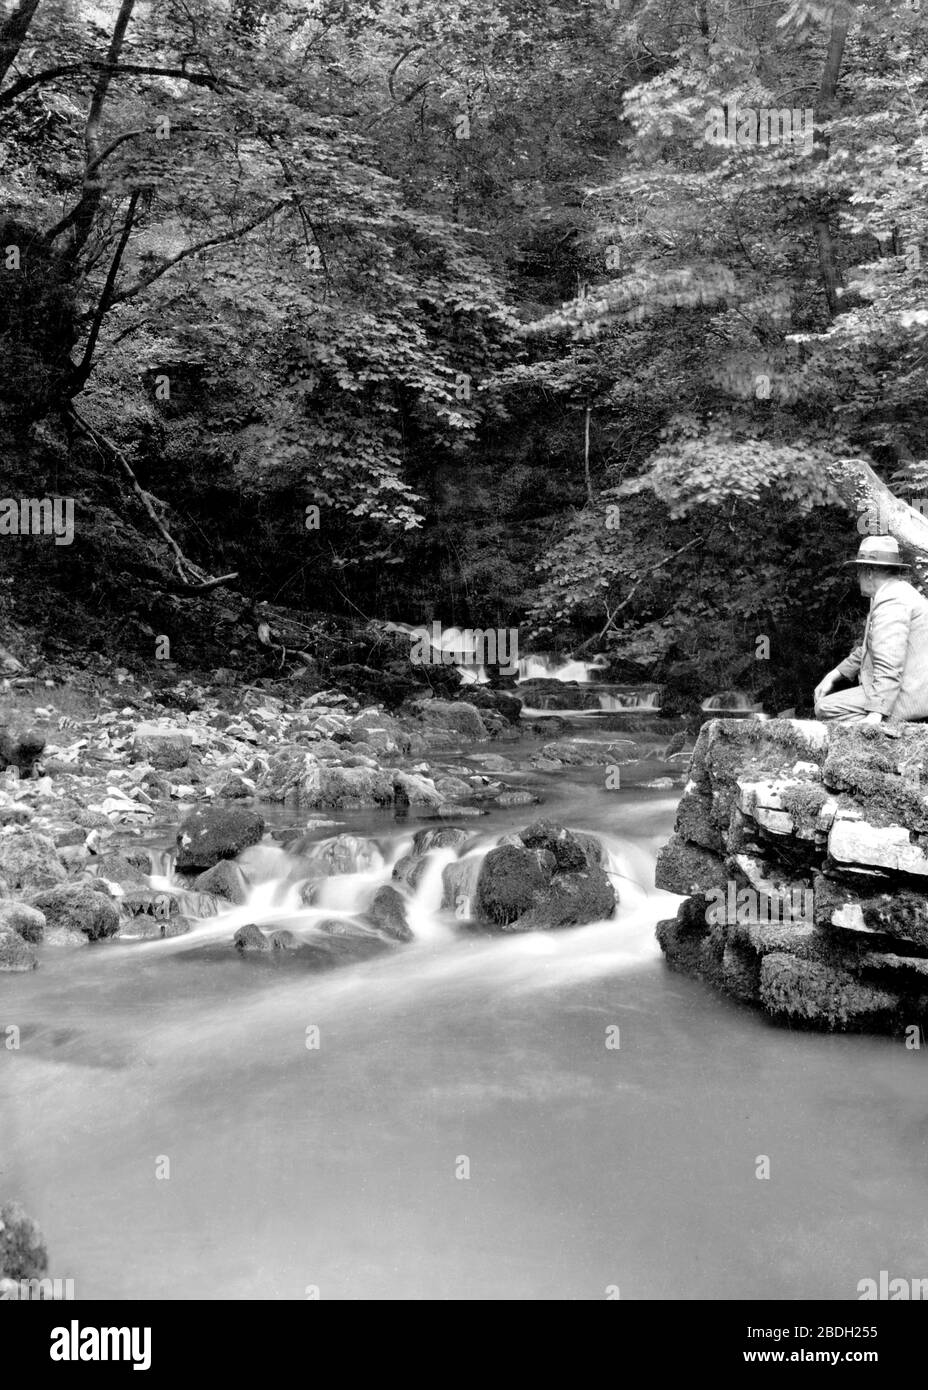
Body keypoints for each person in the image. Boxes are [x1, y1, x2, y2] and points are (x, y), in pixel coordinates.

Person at [814, 536, 928, 724]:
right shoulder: (897, 592)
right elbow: (872, 646)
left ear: (868, 572)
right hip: (914, 689)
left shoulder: (892, 601)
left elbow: (889, 662)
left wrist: (876, 712)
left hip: (909, 696)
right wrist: (835, 673)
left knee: (826, 708)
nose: (857, 577)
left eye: (858, 571)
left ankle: (888, 726)